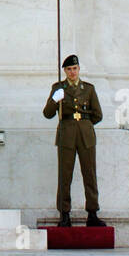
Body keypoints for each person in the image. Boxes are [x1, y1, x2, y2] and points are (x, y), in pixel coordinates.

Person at [42, 54, 107, 228]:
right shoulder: (58, 88)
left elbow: (98, 115)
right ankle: (64, 214)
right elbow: (47, 114)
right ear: (65, 71)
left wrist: (84, 123)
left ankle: (92, 213)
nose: (72, 72)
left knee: (90, 175)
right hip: (66, 135)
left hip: (85, 135)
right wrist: (55, 100)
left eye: (75, 69)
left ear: (79, 69)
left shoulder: (89, 89)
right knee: (65, 176)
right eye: (69, 69)